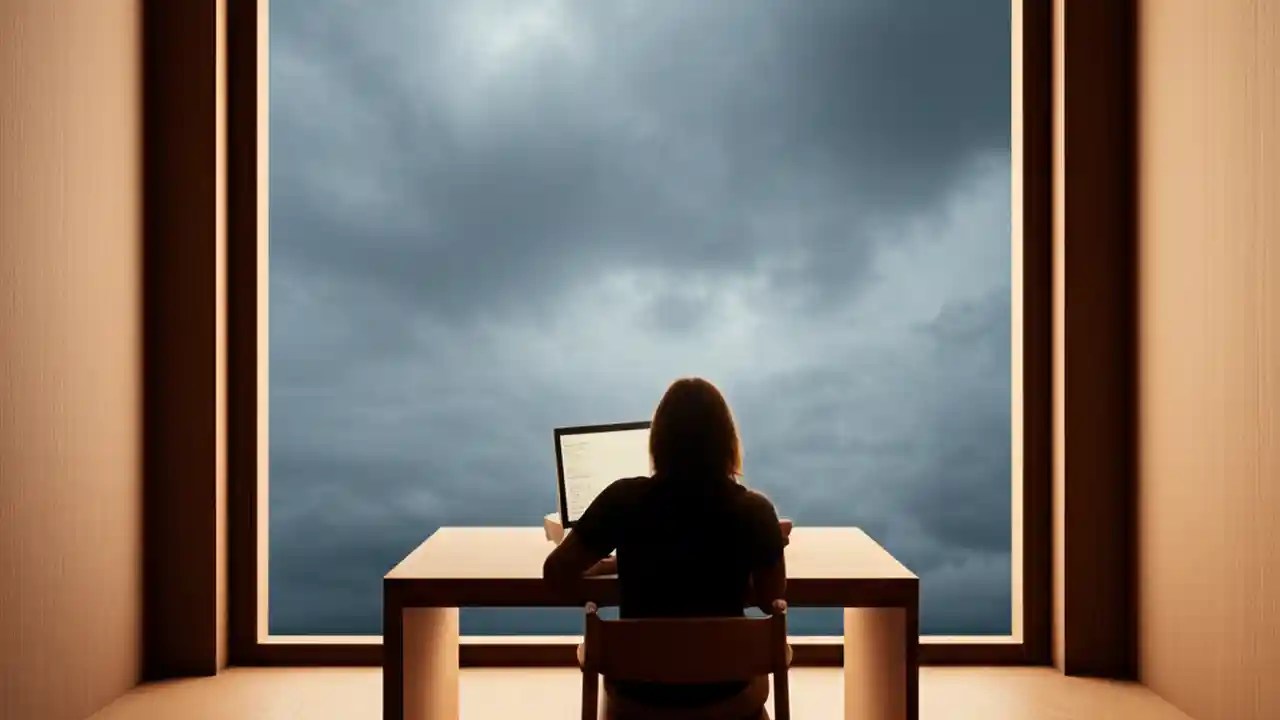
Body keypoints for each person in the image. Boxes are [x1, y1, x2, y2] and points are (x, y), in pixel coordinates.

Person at [543, 377, 787, 714]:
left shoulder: (622, 499)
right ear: (727, 442)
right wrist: (755, 550)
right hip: (725, 696)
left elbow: (554, 571)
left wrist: (621, 562)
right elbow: (770, 597)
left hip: (638, 698)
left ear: (658, 441)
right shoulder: (755, 511)